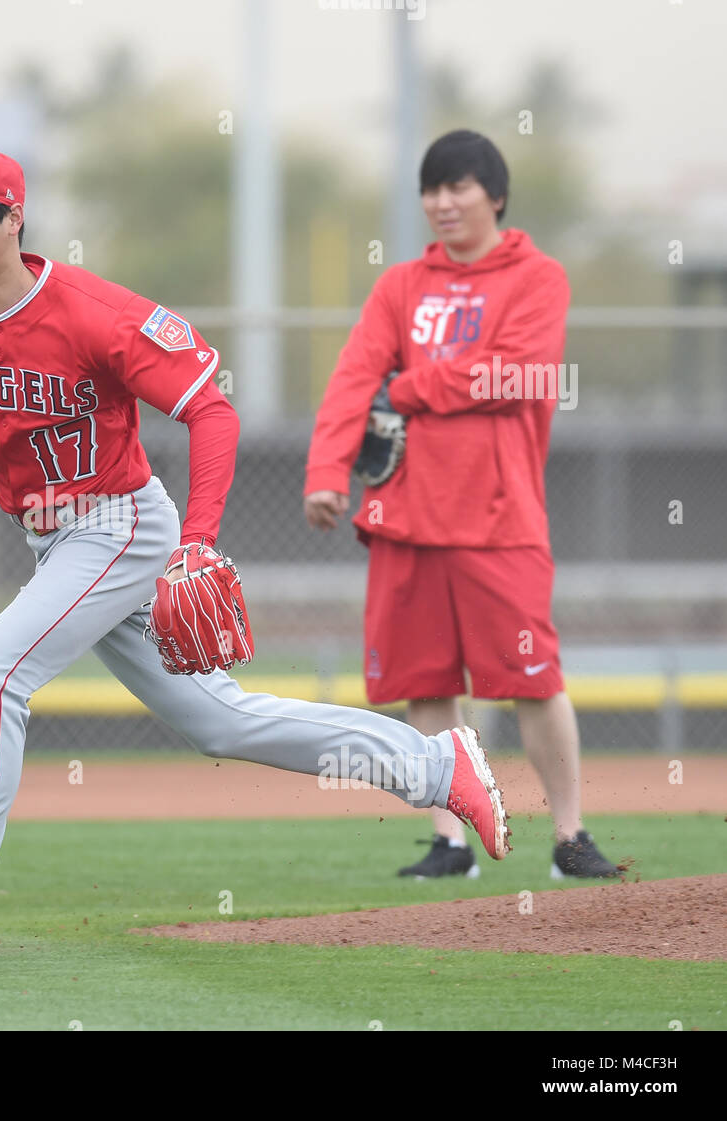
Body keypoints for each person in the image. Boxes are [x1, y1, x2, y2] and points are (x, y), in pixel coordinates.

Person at [0, 147, 509, 964]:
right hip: (54, 540)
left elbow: (211, 410)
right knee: (220, 720)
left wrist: (196, 538)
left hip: (118, 525)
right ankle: (435, 764)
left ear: (12, 218)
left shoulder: (91, 310)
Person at [304, 129, 618, 881]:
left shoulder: (538, 278)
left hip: (498, 520)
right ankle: (451, 841)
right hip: (404, 517)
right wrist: (326, 468)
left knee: (532, 679)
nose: (442, 202)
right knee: (425, 683)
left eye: (458, 187)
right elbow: (355, 378)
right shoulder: (401, 285)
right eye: (431, 189)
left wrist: (410, 387)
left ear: (495, 195)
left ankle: (570, 836)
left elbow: (515, 375)